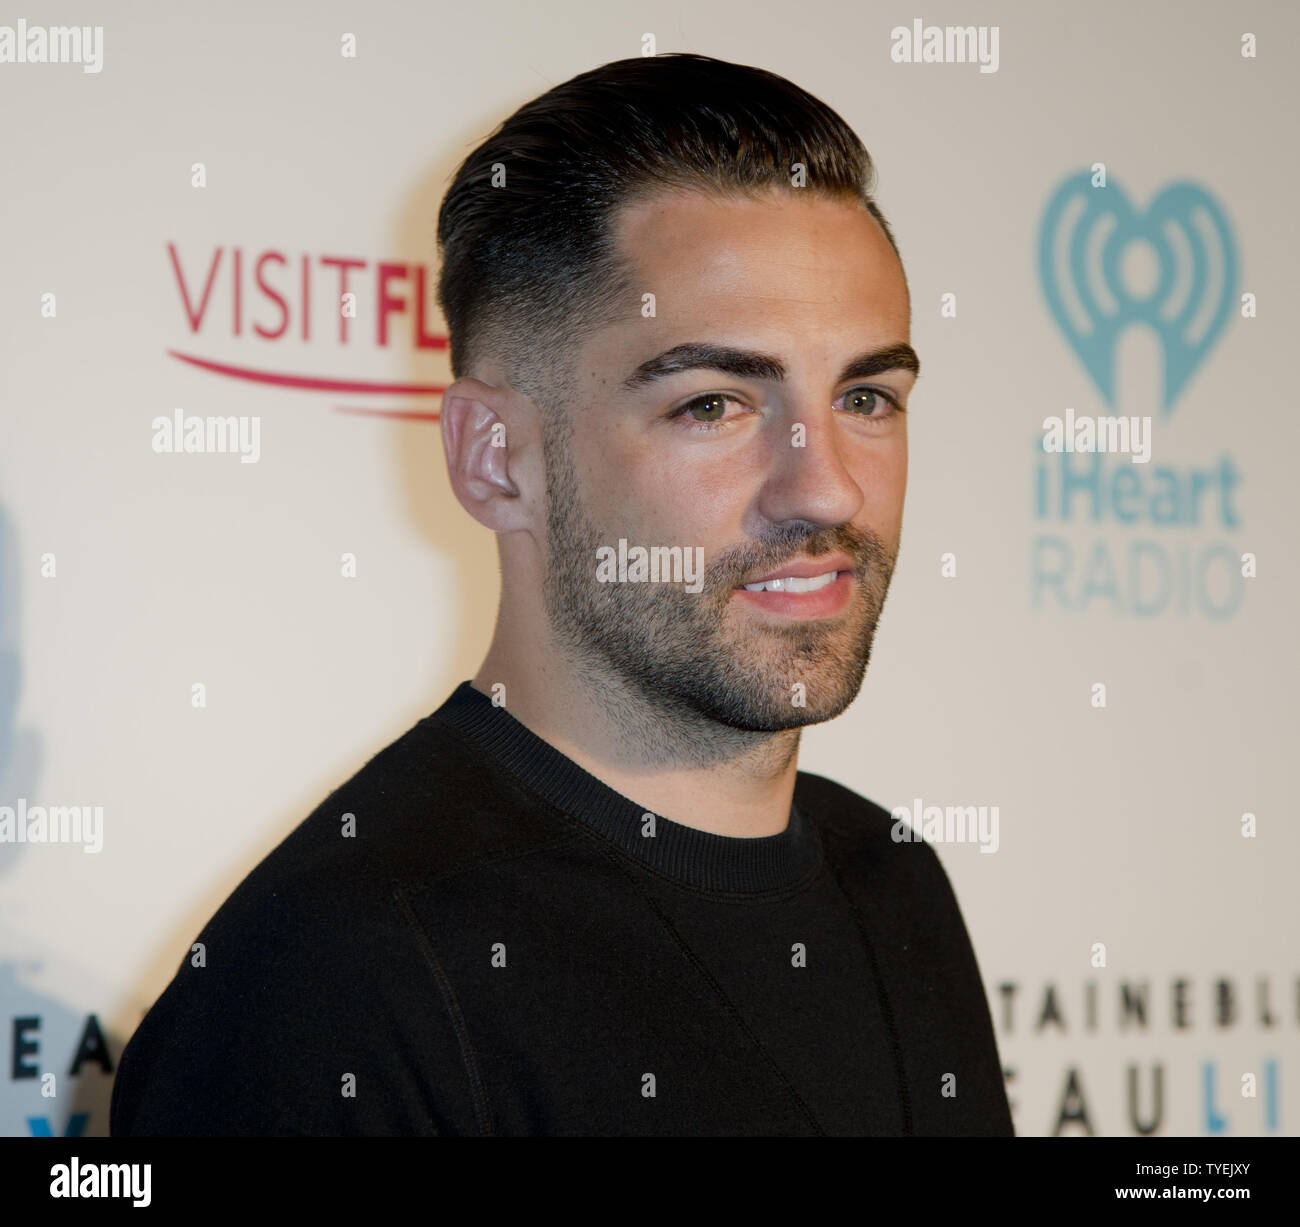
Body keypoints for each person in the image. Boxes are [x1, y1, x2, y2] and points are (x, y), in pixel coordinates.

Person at [111, 51, 1013, 1137]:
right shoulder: (331, 983)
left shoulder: (891, 882)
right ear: (496, 459)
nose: (825, 485)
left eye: (865, 395)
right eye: (715, 404)